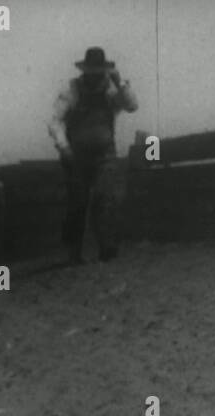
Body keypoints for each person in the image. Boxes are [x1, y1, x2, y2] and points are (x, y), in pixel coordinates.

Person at [48, 47, 138, 264]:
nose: (97, 74)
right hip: (76, 156)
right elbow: (55, 121)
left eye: (100, 70)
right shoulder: (72, 90)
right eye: (92, 70)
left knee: (106, 199)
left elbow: (132, 106)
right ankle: (73, 254)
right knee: (76, 203)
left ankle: (108, 250)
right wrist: (64, 147)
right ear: (85, 70)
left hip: (105, 154)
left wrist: (121, 84)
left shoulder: (111, 90)